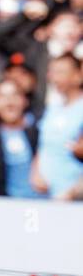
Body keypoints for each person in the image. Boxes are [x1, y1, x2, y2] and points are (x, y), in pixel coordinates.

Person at [32, 53, 83, 198]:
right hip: (44, 195)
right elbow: (43, 145)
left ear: (78, 76)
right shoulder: (53, 107)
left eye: (60, 72)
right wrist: (35, 172)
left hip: (72, 197)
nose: (53, 78)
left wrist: (74, 192)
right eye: (52, 72)